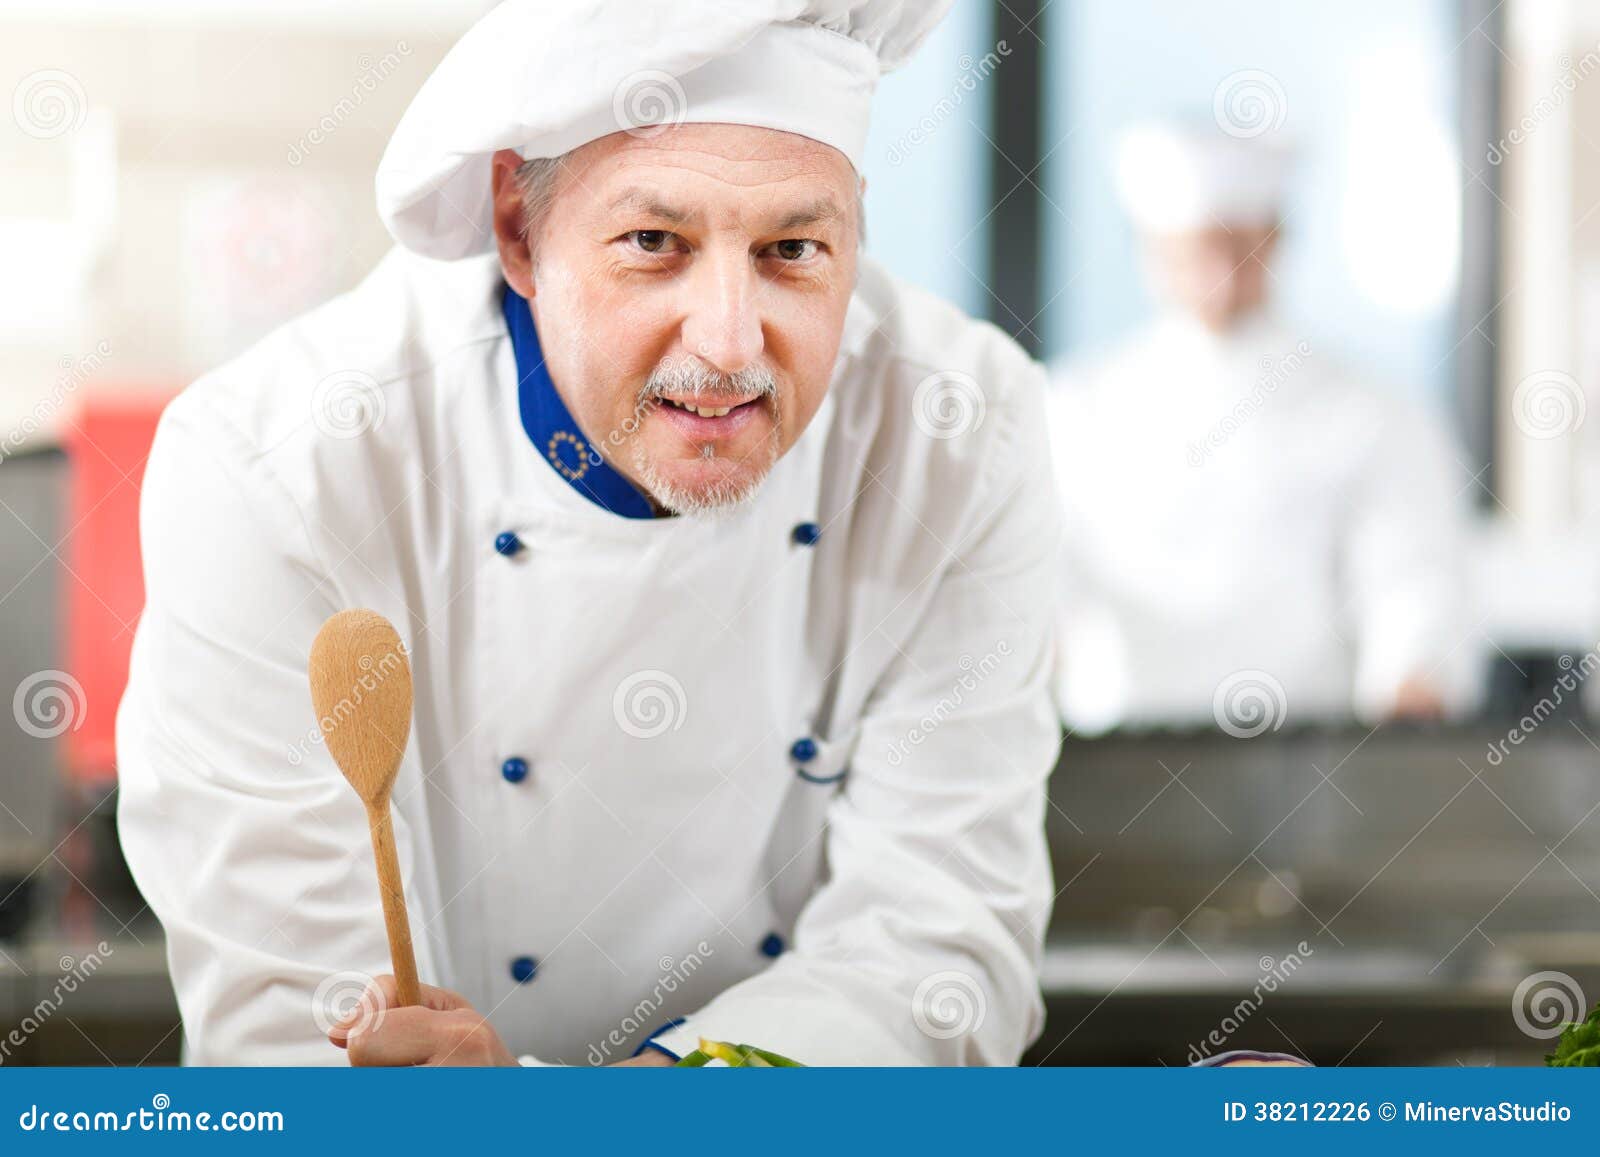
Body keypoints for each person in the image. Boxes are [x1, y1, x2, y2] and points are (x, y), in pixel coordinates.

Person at [115, 0, 1064, 1067]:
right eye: (654, 242)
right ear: (518, 228)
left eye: (793, 248)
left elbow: (936, 952)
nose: (729, 343)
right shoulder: (276, 468)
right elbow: (291, 1047)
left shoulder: (958, 432)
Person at [1049, 122, 1478, 734]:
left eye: (1239, 248)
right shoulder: (1069, 409)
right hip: (1110, 763)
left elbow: (1415, 588)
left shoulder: (1373, 415)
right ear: (1149, 250)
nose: (1219, 276)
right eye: (1193, 250)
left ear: (1277, 242)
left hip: (1313, 766)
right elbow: (1029, 588)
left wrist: (1414, 691)